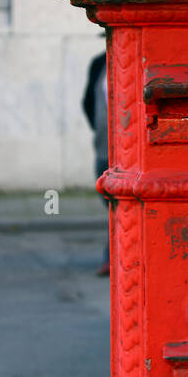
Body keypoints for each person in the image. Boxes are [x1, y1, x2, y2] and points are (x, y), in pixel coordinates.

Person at [82, 47, 109, 276]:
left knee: (118, 206)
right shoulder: (99, 63)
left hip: (129, 147)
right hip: (104, 146)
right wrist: (98, 128)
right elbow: (88, 101)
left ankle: (111, 258)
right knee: (109, 203)